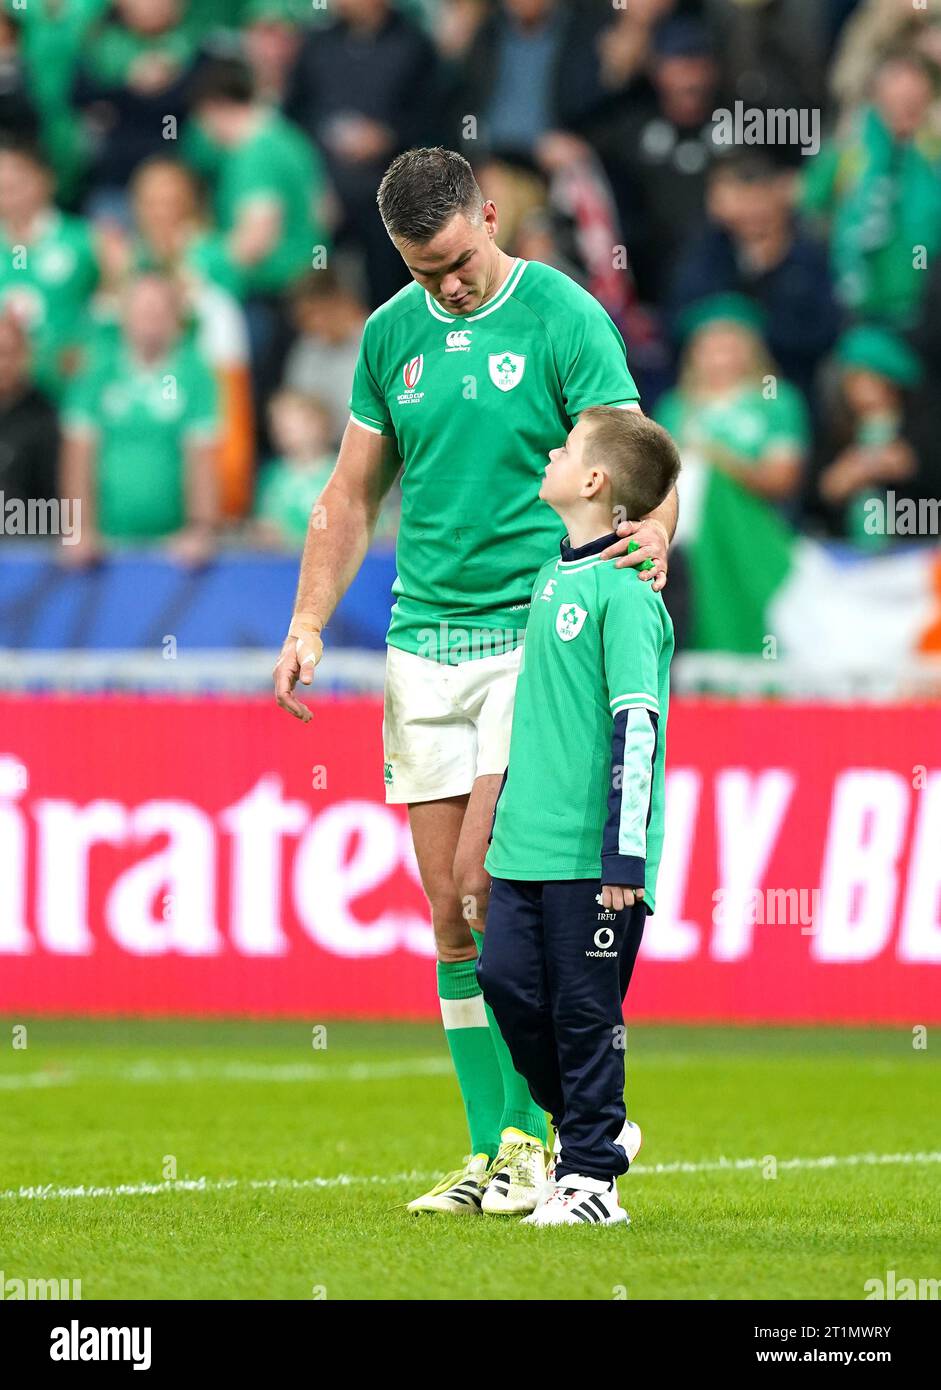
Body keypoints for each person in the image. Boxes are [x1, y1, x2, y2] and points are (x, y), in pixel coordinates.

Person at [273, 146, 677, 1215]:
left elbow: (634, 453)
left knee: (481, 885)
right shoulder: (388, 337)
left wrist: (655, 537)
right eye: (419, 269)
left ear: (490, 216)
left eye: (453, 260)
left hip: (527, 635)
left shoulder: (562, 316)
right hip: (421, 642)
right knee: (446, 919)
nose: (443, 285)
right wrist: (309, 621)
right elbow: (350, 494)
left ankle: (540, 1135)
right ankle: (493, 1151)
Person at [478, 407, 678, 1225]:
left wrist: (623, 857)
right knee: (506, 986)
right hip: (522, 847)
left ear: (592, 481)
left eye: (566, 448)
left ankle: (591, 1180)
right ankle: (599, 1132)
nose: (551, 452)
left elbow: (638, 723)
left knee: (586, 1014)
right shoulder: (551, 574)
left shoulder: (627, 595)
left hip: (591, 858)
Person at [59, 272, 219, 565]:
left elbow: (201, 456)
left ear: (175, 318)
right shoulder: (96, 371)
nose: (151, 320)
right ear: (124, 315)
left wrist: (200, 529)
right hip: (106, 544)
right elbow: (79, 454)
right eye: (143, 310)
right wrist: (78, 529)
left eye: (159, 311)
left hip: (172, 547)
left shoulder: (195, 374)